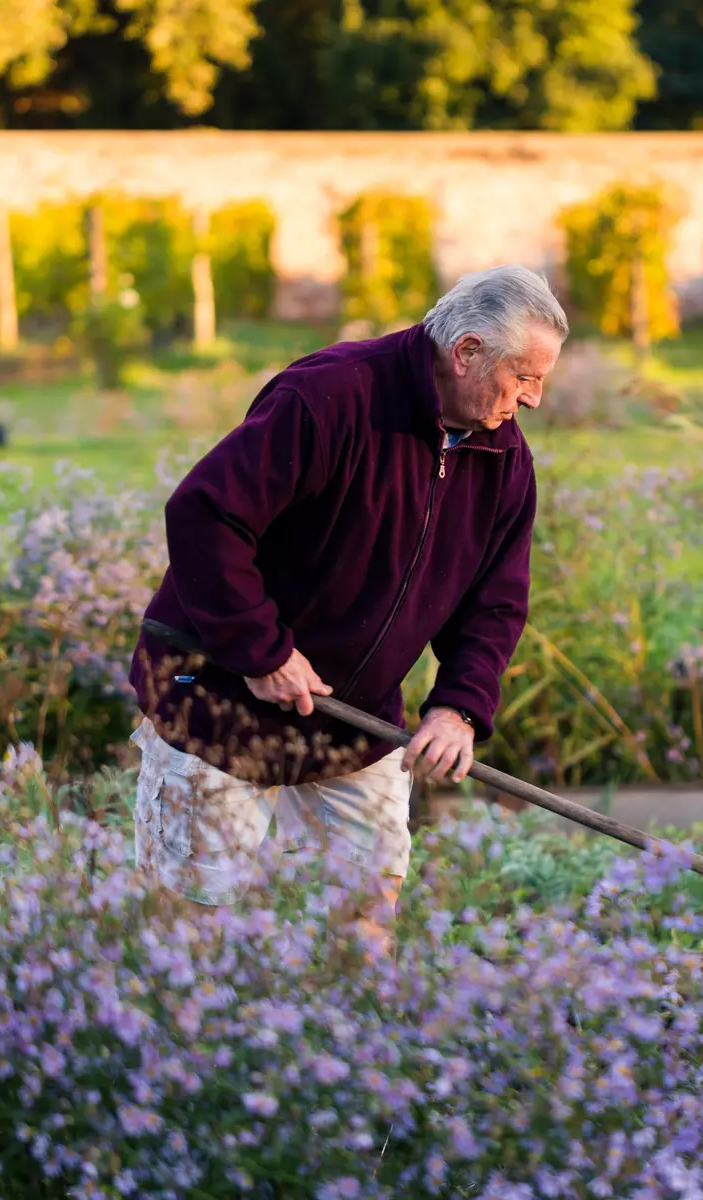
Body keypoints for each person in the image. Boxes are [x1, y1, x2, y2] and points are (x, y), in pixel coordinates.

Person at [126, 265, 567, 951]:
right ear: (466, 353)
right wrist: (261, 650)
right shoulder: (329, 398)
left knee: (363, 926)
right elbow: (205, 514)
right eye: (525, 377)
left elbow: (496, 602)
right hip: (209, 688)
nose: (533, 399)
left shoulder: (503, 458)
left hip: (355, 720)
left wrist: (458, 706)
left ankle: (338, 1048)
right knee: (194, 929)